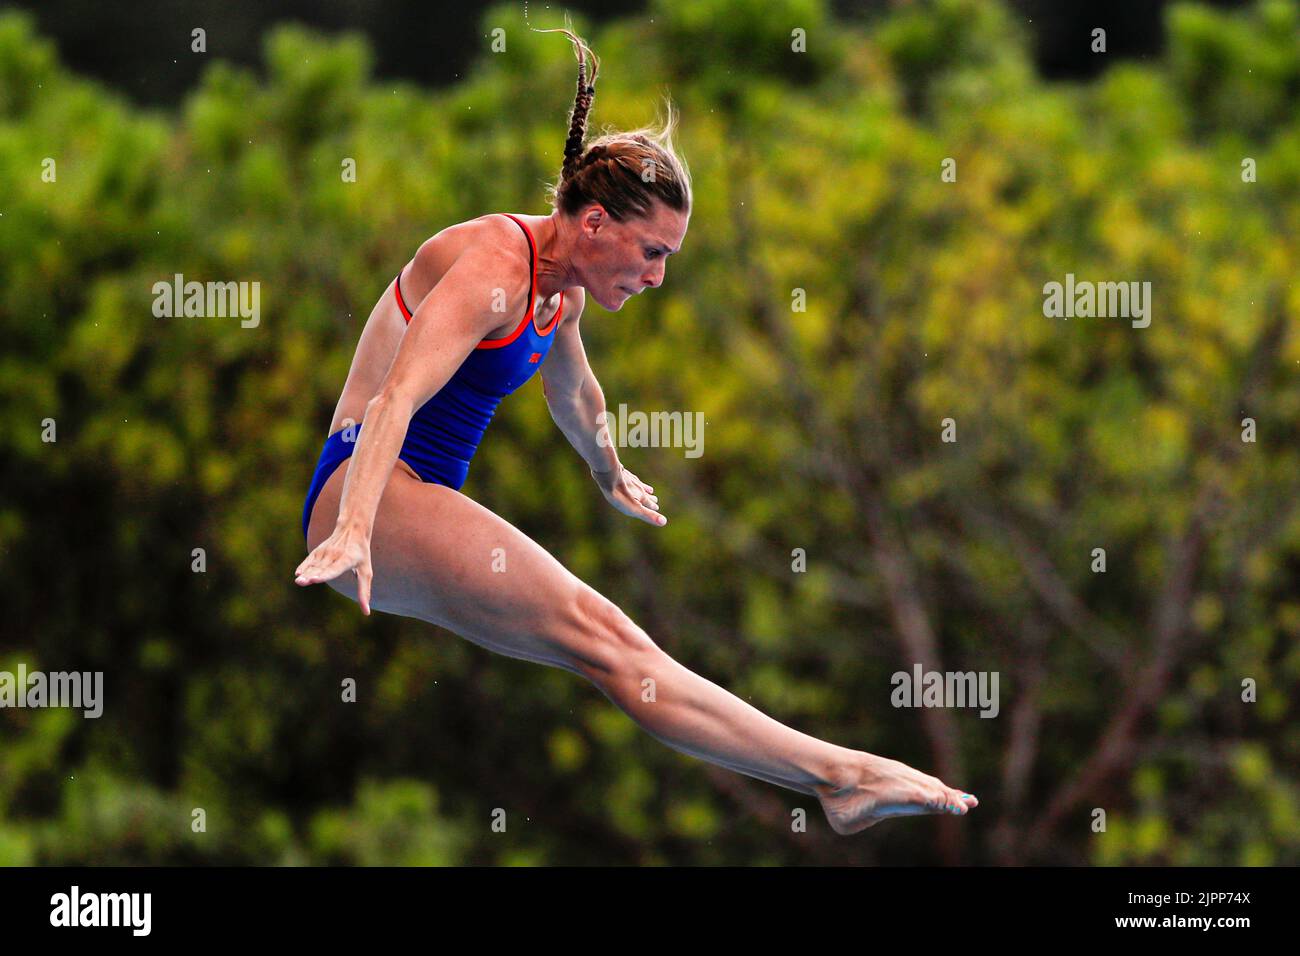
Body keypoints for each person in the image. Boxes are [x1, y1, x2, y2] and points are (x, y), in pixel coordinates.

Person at [294, 27, 978, 834]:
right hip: (366, 489)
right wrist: (355, 530)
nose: (656, 276)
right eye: (651, 251)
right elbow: (393, 401)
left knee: (611, 654)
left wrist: (607, 468)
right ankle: (841, 774)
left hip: (405, 500)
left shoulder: (562, 292)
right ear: (591, 225)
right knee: (606, 633)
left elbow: (575, 394)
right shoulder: (493, 271)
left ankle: (834, 781)